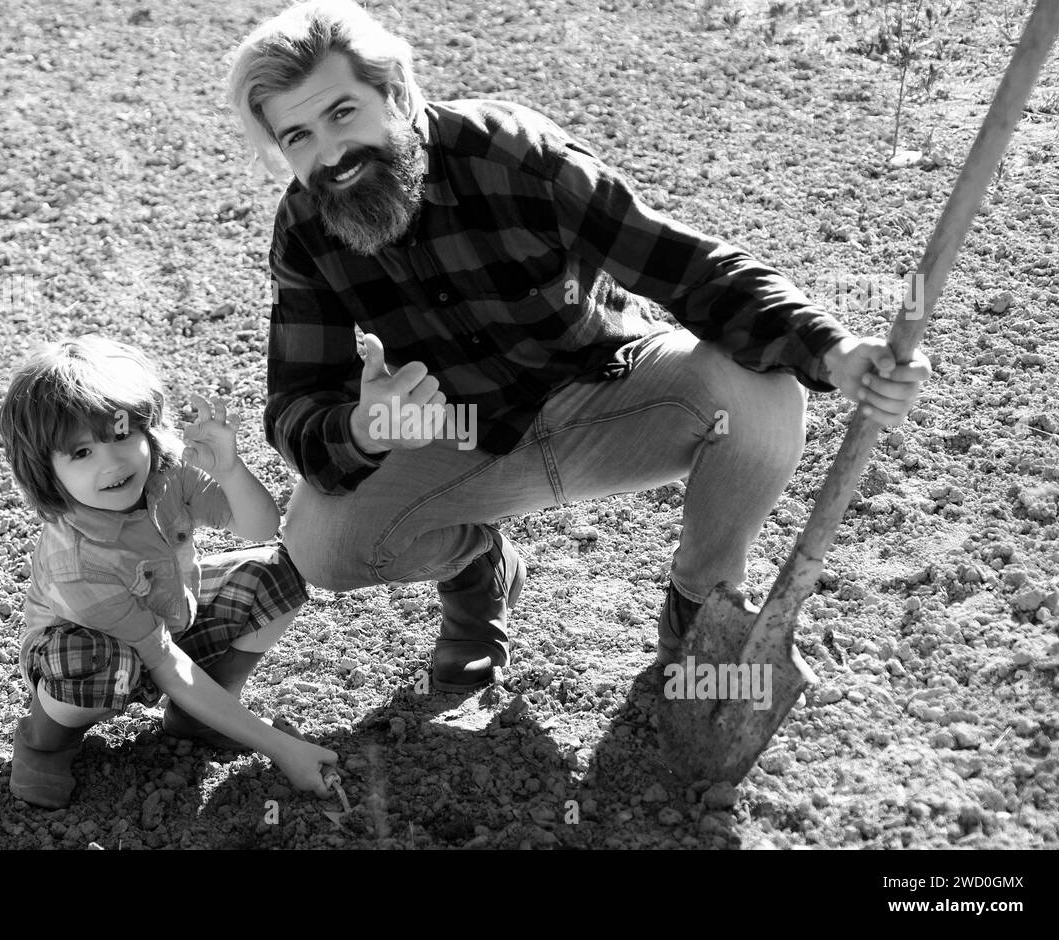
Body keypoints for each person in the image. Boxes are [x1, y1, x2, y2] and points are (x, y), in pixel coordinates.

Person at [225, 0, 931, 691]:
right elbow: (296, 404)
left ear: (396, 93)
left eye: (342, 113)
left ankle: (700, 609)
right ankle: (478, 570)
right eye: (299, 137)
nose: (332, 155)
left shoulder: (510, 152)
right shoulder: (305, 232)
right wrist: (360, 425)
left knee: (760, 395)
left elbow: (688, 266)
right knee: (322, 543)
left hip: (612, 394)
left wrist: (832, 349)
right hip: (468, 435)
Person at [0, 335, 337, 808]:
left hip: (174, 617)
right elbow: (165, 665)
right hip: (90, 654)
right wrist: (281, 749)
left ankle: (202, 715)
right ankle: (44, 739)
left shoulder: (167, 472)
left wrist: (231, 469)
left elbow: (261, 526)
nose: (111, 462)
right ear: (44, 470)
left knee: (279, 571)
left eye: (120, 435)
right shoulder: (76, 562)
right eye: (80, 453)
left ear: (146, 429)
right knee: (93, 662)